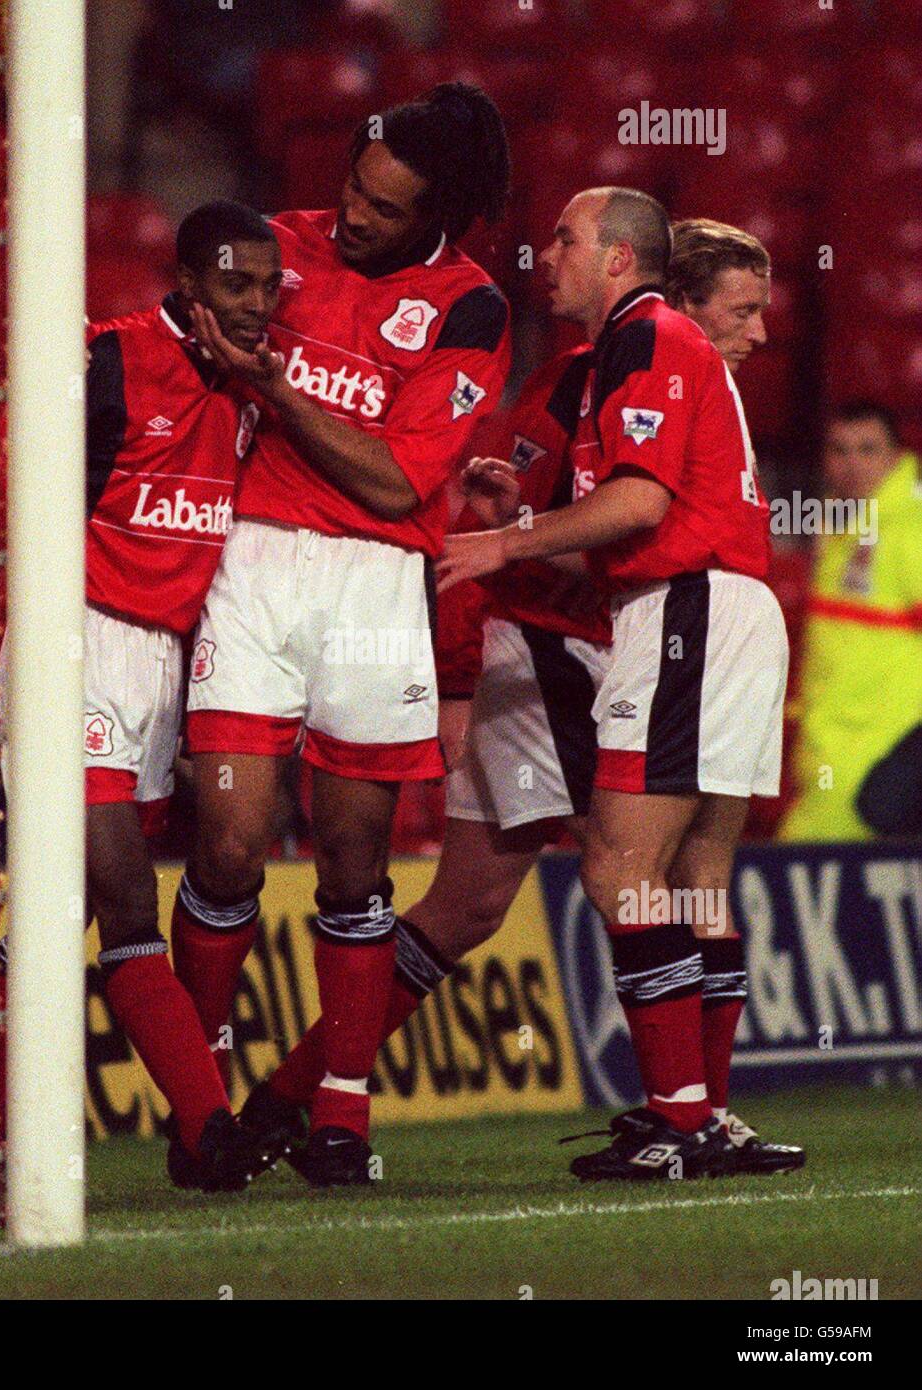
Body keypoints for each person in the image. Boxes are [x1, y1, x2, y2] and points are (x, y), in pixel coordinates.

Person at [244, 214, 802, 1176]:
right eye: (740, 311)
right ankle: (303, 1098)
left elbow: (589, 521)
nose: (756, 334)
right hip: (556, 654)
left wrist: (521, 536)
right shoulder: (596, 374)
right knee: (524, 892)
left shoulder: (673, 373)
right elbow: (513, 531)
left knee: (644, 878)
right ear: (683, 300)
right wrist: (462, 669)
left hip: (647, 634)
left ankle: (696, 1114)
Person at [0, 200, 284, 1196]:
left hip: (158, 668)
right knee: (123, 894)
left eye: (266, 288)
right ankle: (208, 1129)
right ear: (188, 285)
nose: (255, 305)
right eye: (234, 285)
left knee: (58, 906)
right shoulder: (107, 360)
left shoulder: (254, 392)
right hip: (73, 644)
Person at [171, 83, 512, 1186]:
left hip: (375, 587)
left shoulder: (470, 309)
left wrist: (274, 389)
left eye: (386, 208)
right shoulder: (271, 247)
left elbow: (395, 479)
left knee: (354, 864)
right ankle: (205, 1107)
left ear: (439, 216)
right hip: (257, 564)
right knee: (228, 842)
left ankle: (342, 1118)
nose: (355, 214)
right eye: (355, 189)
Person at [435, 188, 796, 1181]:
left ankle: (678, 1124)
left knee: (617, 873)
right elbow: (630, 522)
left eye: (566, 238)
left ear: (621, 260)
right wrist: (535, 530)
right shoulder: (656, 352)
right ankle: (706, 1117)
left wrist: (506, 541)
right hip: (720, 608)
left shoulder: (644, 337)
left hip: (685, 614)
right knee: (696, 879)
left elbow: (642, 501)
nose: (547, 253)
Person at [779, 401, 922, 842]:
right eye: (839, 450)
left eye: (867, 450)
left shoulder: (910, 528)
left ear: (896, 457)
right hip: (829, 745)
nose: (852, 464)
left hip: (879, 757)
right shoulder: (842, 522)